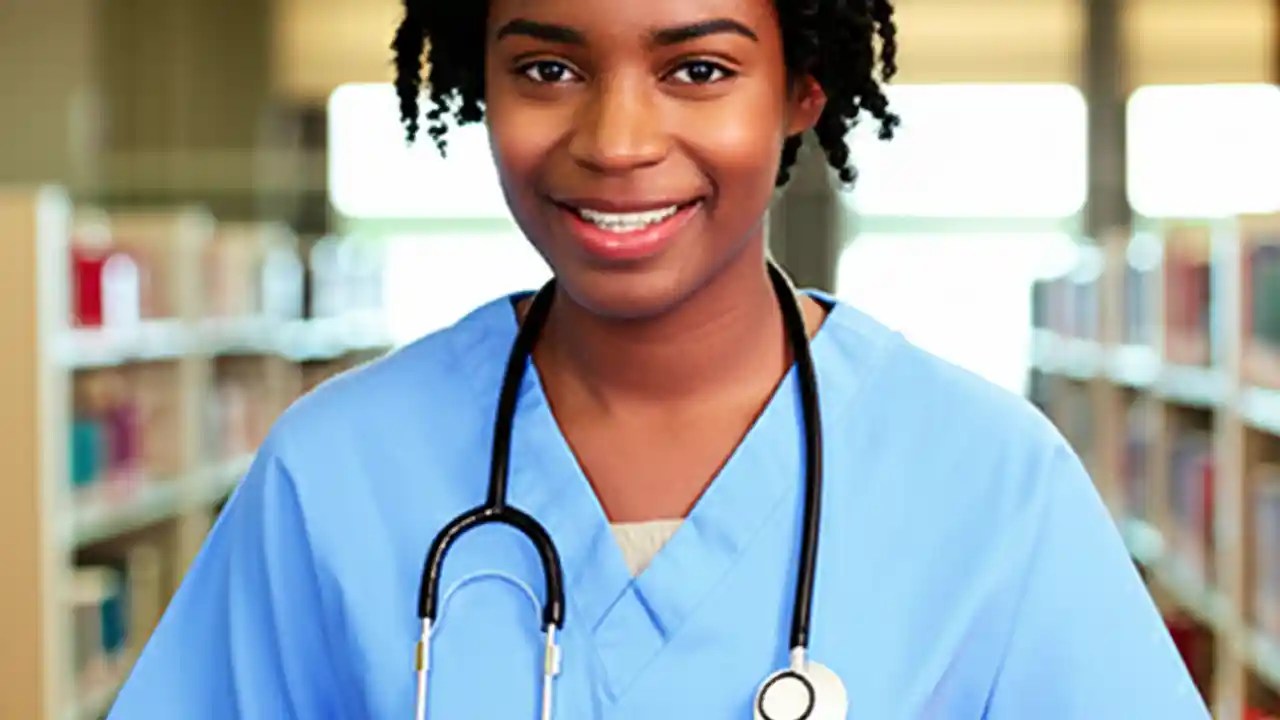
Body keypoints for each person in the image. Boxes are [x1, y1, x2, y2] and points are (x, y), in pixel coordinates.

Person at [109, 0, 1209, 717]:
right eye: (545, 67)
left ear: (800, 90)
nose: (617, 140)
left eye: (695, 69)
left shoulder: (988, 481)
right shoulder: (335, 469)